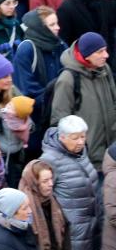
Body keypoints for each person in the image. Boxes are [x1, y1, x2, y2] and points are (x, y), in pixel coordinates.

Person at [38, 116, 98, 250]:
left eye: (83, 136)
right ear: (62, 137)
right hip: (64, 234)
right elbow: (41, 198)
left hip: (82, 226)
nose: (81, 141)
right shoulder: (49, 161)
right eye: (75, 138)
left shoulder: (80, 152)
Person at [49, 32, 116, 170]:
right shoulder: (68, 79)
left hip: (111, 156)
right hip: (88, 161)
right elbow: (59, 122)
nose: (106, 55)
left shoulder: (105, 70)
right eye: (100, 52)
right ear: (87, 55)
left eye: (106, 50)